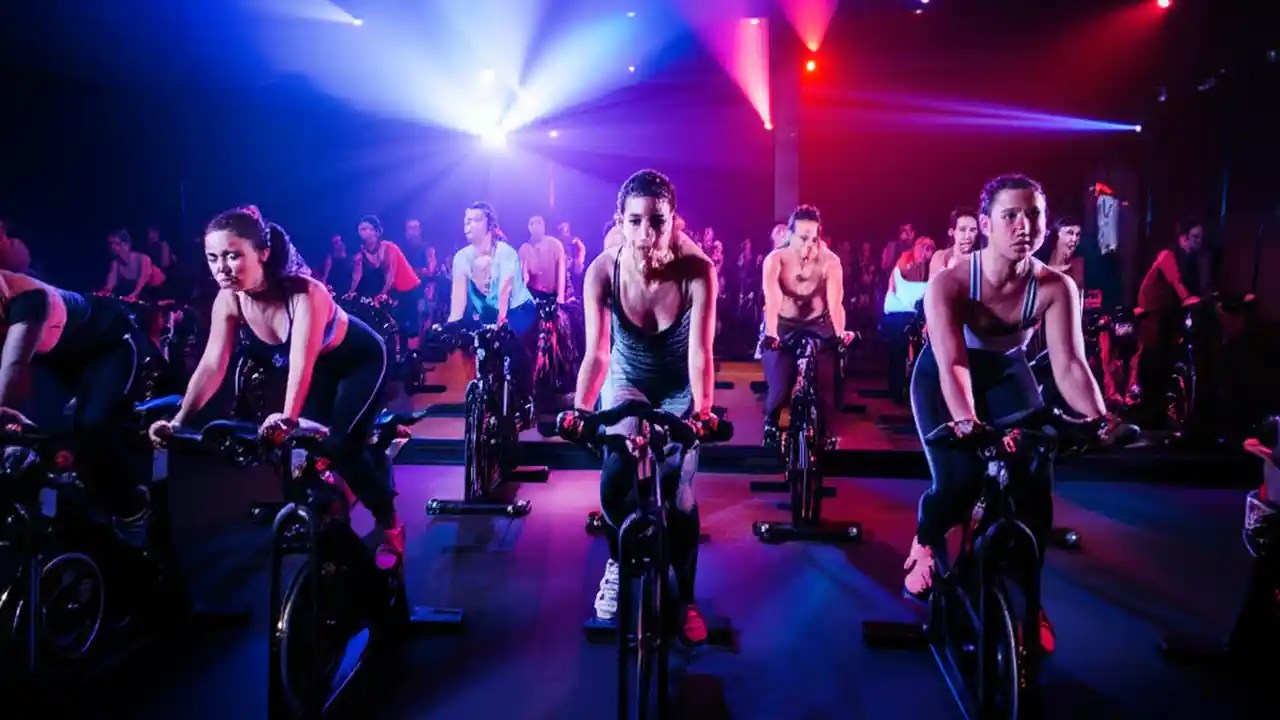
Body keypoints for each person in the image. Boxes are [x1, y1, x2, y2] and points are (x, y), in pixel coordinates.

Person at [903, 174, 1113, 654]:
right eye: (1011, 215)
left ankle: (1029, 600)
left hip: (1006, 371)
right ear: (985, 224)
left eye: (1033, 215)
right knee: (958, 479)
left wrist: (1102, 420)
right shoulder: (950, 282)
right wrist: (967, 424)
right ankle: (925, 543)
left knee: (1035, 485)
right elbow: (953, 362)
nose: (1024, 225)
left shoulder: (1056, 286)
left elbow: (1069, 363)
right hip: (944, 374)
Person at [148, 208, 404, 563]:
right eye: (212, 258)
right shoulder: (229, 299)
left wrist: (287, 418)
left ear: (262, 253)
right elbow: (211, 364)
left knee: (340, 445)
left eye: (233, 255)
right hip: (319, 371)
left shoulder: (304, 293)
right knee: (304, 452)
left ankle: (389, 522)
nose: (221, 268)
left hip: (359, 363)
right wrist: (179, 422)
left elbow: (301, 362)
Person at [569, 169, 719, 644]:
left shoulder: (698, 270)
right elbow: (596, 352)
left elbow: (700, 353)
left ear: (675, 221)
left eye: (658, 222)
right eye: (635, 222)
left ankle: (687, 597)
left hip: (679, 388)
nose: (646, 235)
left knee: (679, 496)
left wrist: (704, 411)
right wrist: (580, 408)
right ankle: (616, 561)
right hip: (628, 382)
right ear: (620, 220)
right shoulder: (601, 270)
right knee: (615, 480)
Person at [0, 269, 148, 523]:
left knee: (92, 426)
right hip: (52, 360)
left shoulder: (27, 299)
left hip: (105, 346)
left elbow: (11, 373)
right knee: (37, 435)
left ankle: (132, 512)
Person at [759, 205, 856, 445]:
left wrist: (840, 334)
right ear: (790, 235)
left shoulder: (830, 261)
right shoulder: (775, 260)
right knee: (780, 390)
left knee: (826, 386)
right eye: (803, 238)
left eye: (814, 239)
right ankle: (772, 423)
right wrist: (771, 334)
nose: (809, 245)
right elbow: (772, 303)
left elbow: (836, 304)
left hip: (818, 324)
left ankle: (823, 432)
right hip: (783, 325)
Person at [447, 202, 537, 419]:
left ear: (490, 225)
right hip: (488, 311)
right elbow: (458, 299)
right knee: (482, 352)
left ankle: (525, 400)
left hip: (518, 309)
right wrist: (451, 325)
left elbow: (505, 289)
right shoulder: (461, 257)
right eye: (466, 220)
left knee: (513, 348)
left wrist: (502, 319)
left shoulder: (505, 253)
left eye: (475, 219)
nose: (468, 224)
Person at [1129, 218, 1208, 407]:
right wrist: (1187, 298)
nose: (1198, 242)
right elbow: (1175, 281)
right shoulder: (1168, 255)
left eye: (1201, 238)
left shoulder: (1192, 261)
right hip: (1154, 314)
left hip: (1169, 316)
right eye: (1195, 237)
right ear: (1183, 238)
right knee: (1152, 356)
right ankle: (1141, 398)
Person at [348, 215, 421, 351]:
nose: (364, 232)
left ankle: (411, 356)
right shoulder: (362, 253)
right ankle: (396, 352)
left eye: (367, 229)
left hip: (408, 287)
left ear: (376, 231)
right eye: (361, 229)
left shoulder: (389, 247)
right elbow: (357, 275)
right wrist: (351, 292)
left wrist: (381, 294)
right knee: (392, 320)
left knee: (408, 325)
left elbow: (391, 275)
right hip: (392, 289)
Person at [881, 236, 936, 402]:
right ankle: (897, 391)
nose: (925, 254)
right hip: (898, 313)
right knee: (897, 353)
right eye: (922, 249)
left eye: (929, 250)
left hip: (916, 316)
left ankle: (912, 392)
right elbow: (901, 285)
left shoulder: (929, 268)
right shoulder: (905, 260)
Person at [102, 229, 166, 302]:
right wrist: (104, 292)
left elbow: (143, 280)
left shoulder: (143, 258)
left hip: (161, 292)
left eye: (115, 243)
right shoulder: (115, 263)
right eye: (110, 244)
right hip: (145, 295)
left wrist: (133, 295)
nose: (112, 247)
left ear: (126, 244)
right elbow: (111, 282)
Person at [519, 215, 567, 303]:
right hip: (532, 295)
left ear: (544, 225)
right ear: (529, 227)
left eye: (539, 222)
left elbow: (561, 272)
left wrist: (560, 297)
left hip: (552, 296)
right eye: (532, 223)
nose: (536, 226)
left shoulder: (555, 245)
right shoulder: (524, 249)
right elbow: (523, 276)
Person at [929, 208, 981, 279]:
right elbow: (932, 288)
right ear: (952, 232)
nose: (968, 236)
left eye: (972, 230)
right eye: (962, 229)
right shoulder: (940, 257)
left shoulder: (980, 259)